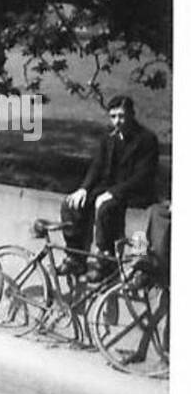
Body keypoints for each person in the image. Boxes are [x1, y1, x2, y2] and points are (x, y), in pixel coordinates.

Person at [60, 95, 160, 281]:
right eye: (113, 116)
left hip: (134, 192)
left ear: (131, 114)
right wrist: (84, 188)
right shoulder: (109, 137)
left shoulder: (146, 139)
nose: (117, 121)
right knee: (71, 204)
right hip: (109, 188)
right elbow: (97, 166)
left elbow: (143, 176)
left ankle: (104, 263)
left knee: (105, 207)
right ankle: (75, 257)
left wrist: (112, 193)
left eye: (121, 116)